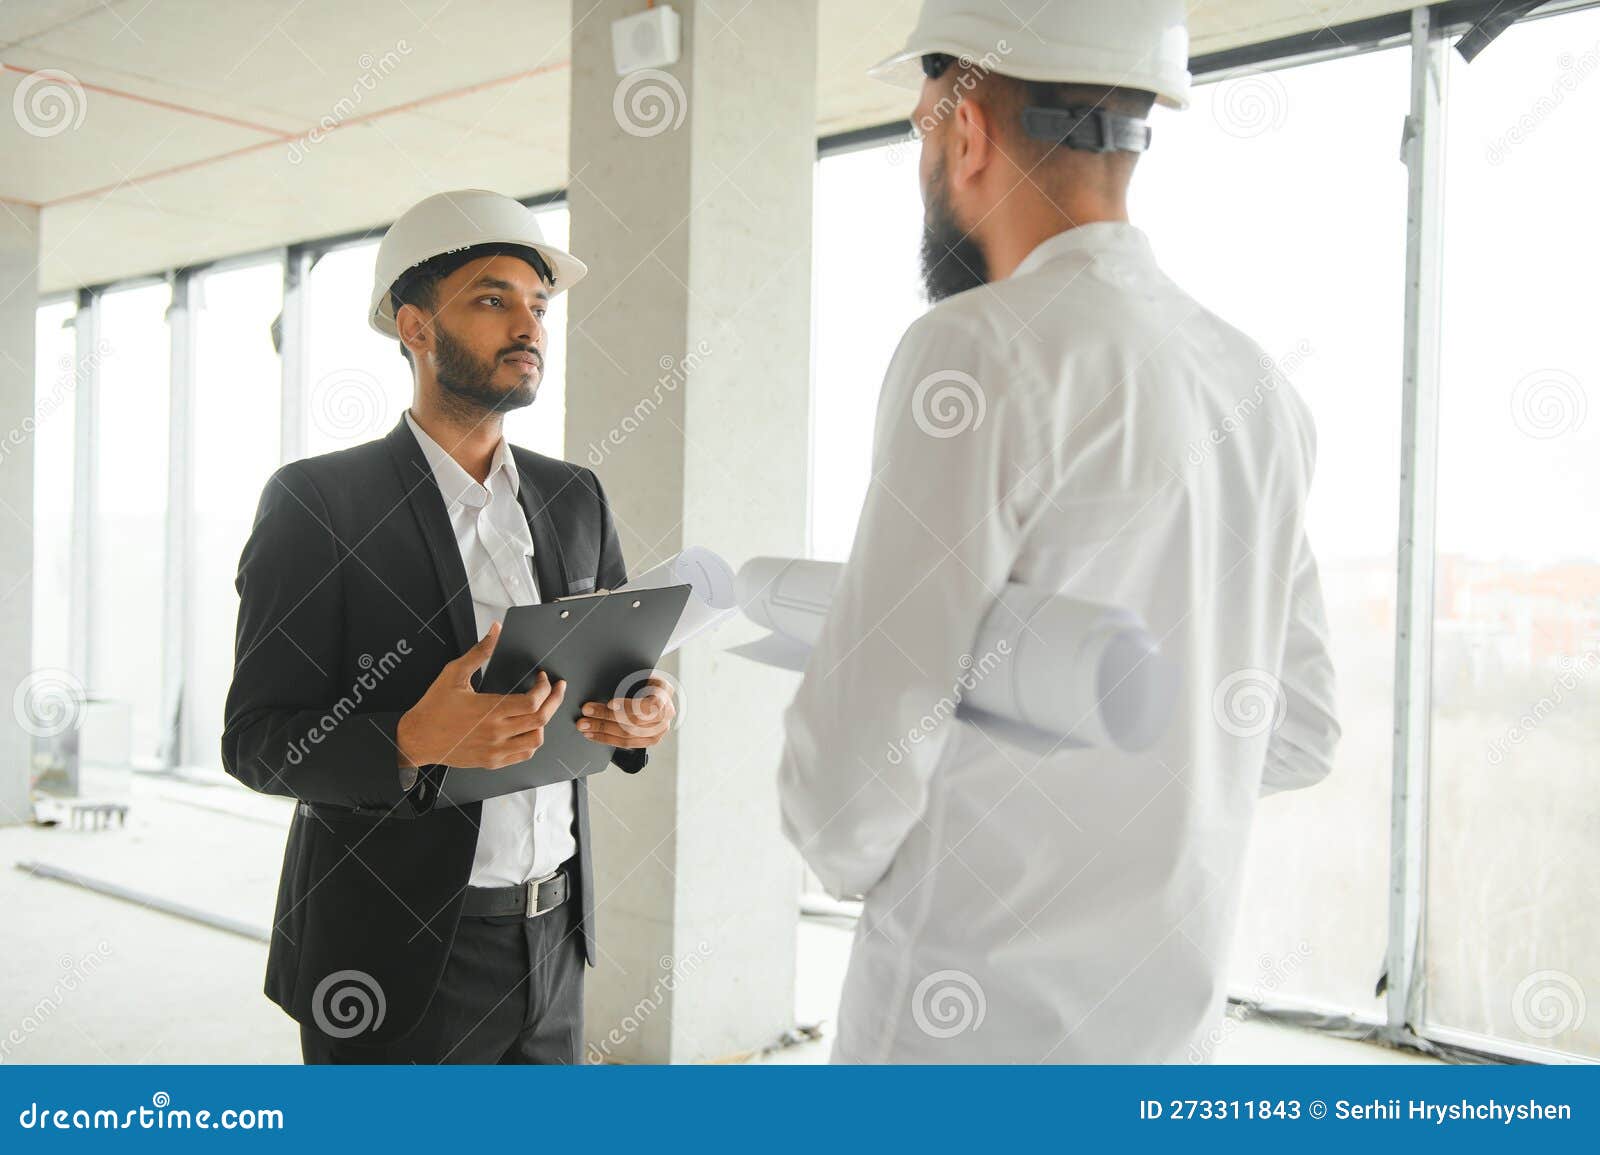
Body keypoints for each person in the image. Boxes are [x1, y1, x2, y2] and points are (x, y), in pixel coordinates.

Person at [777, 1, 1340, 1062]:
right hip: (1164, 1042)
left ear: (966, 129)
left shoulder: (975, 351)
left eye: (919, 130)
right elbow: (1297, 728)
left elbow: (851, 787)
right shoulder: (1255, 386)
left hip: (959, 1035)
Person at [222, 188, 675, 1063]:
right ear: (415, 327)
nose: (530, 327)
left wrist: (641, 710)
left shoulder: (574, 495)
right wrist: (410, 739)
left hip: (555, 942)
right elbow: (256, 741)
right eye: (492, 298)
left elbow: (618, 666)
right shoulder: (317, 503)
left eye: (539, 306)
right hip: (393, 956)